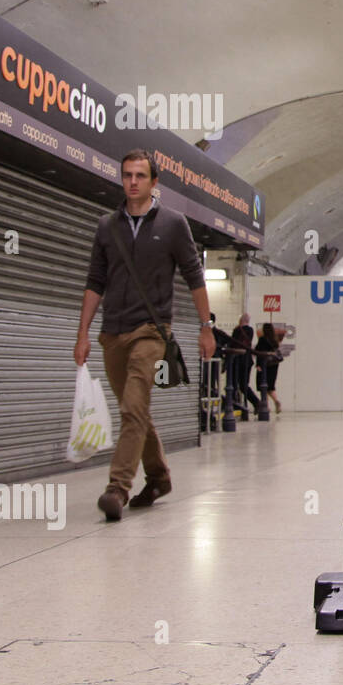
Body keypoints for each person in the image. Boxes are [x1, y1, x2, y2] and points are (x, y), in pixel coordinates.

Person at [75, 149, 215, 520]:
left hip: (152, 332)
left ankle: (116, 489)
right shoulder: (107, 226)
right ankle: (159, 476)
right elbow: (95, 281)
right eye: (127, 176)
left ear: (154, 182)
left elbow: (194, 277)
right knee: (135, 411)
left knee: (132, 408)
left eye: (140, 176)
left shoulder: (173, 224)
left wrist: (206, 327)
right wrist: (83, 333)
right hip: (111, 334)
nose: (132, 182)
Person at [230, 312, 260, 416]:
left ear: (240, 320)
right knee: (243, 385)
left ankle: (233, 404)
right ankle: (256, 402)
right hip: (247, 361)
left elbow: (233, 343)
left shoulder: (237, 330)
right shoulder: (251, 330)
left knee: (233, 383)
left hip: (237, 360)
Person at [255, 322, 283, 414]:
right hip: (274, 365)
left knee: (263, 386)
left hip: (264, 365)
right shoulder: (274, 339)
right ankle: (276, 401)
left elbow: (259, 352)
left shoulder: (262, 339)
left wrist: (258, 365)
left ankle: (265, 406)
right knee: (270, 386)